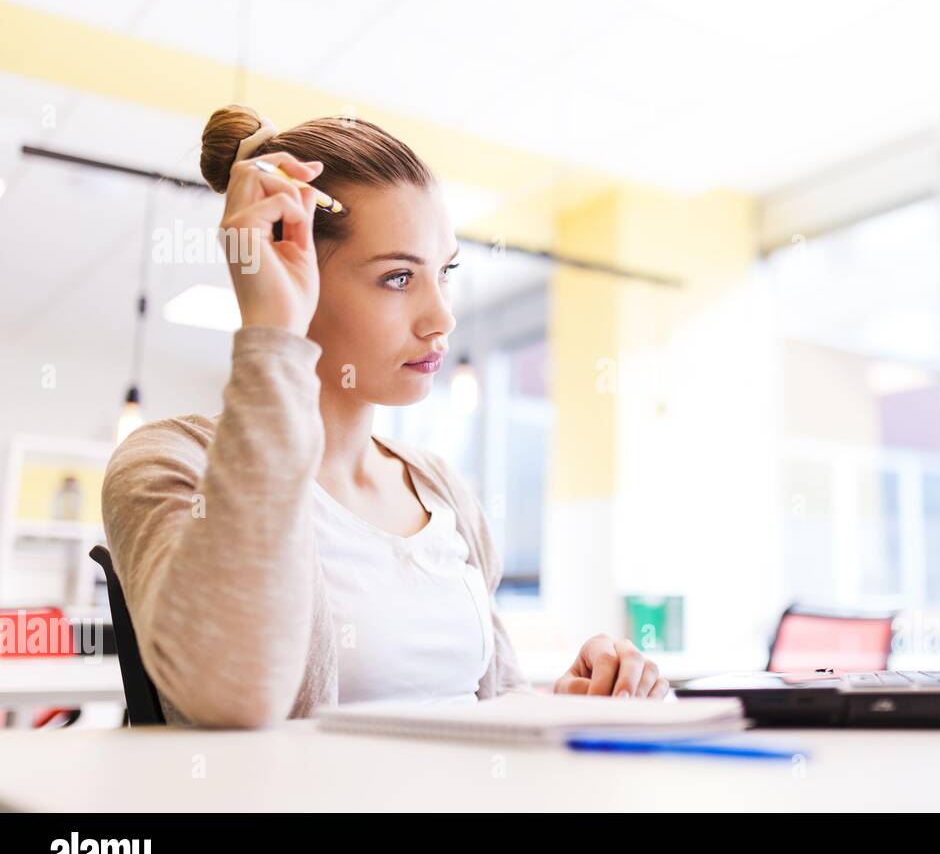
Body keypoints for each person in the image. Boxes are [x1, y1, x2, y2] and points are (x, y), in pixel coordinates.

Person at [101, 106, 669, 729]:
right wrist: (271, 330)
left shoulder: (441, 488)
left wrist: (579, 703)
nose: (442, 317)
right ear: (293, 268)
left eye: (444, 272)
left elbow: (488, 705)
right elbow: (234, 696)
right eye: (398, 277)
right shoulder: (168, 463)